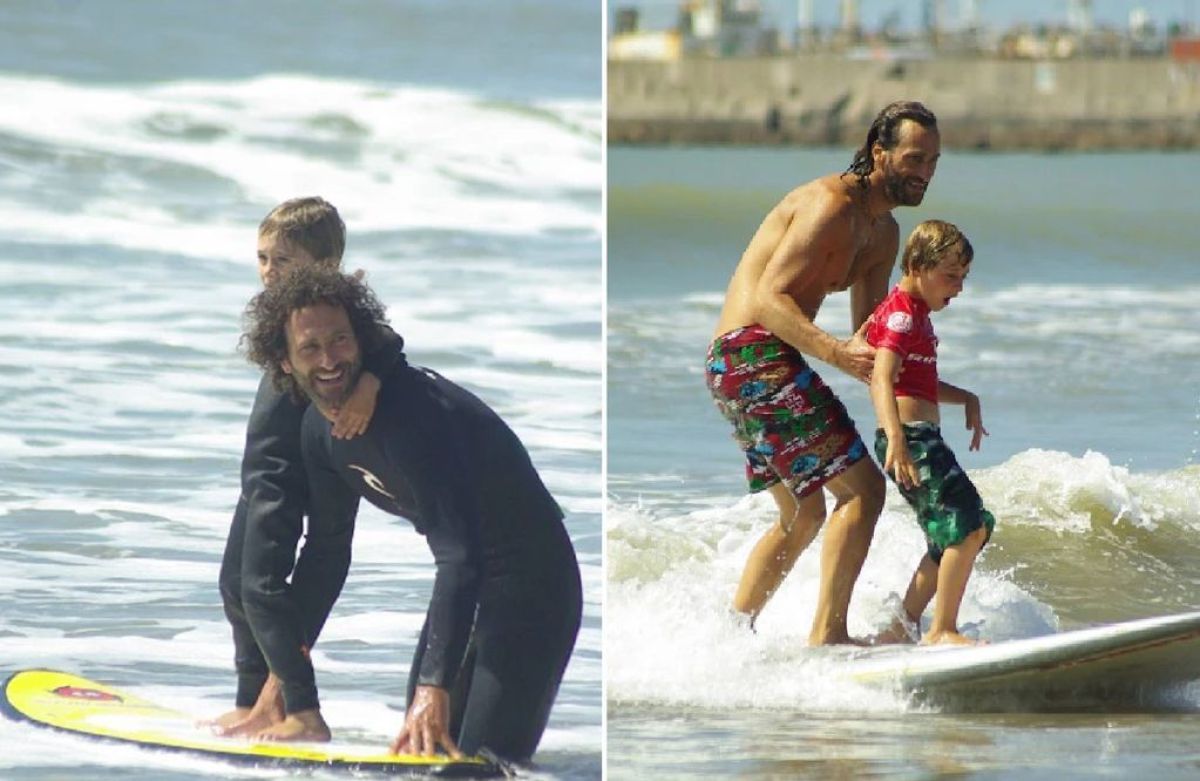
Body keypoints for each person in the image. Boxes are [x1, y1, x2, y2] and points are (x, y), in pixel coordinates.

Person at [238, 265, 582, 762]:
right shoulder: (317, 433)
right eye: (310, 348)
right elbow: (326, 555)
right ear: (284, 362)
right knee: (422, 758)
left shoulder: (411, 416)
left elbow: (458, 555)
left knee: (484, 766)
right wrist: (284, 680)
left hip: (534, 585)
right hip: (466, 591)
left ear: (360, 339)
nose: (329, 359)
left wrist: (432, 687)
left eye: (340, 340)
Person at [706, 101, 941, 643]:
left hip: (745, 366)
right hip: (749, 355)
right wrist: (835, 354)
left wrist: (914, 413)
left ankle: (727, 638)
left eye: (933, 162)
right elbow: (768, 299)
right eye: (914, 158)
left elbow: (870, 339)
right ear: (879, 152)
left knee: (803, 513)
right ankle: (828, 637)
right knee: (863, 493)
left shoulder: (883, 233)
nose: (925, 172)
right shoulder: (829, 205)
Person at [214, 197, 404, 739]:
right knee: (235, 586)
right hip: (262, 476)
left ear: (324, 265)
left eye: (282, 260)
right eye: (262, 258)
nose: (268, 271)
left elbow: (387, 343)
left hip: (297, 473)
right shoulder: (287, 312)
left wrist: (368, 385)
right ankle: (254, 702)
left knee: (262, 588)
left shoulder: (328, 313)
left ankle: (303, 711)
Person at [865, 219, 995, 646]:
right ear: (918, 266)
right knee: (967, 526)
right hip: (911, 439)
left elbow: (918, 383)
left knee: (950, 535)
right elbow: (881, 378)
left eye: (964, 277)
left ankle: (899, 628)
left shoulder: (913, 313)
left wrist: (966, 398)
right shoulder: (903, 316)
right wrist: (897, 438)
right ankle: (942, 630)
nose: (959, 287)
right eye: (951, 276)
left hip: (917, 437)